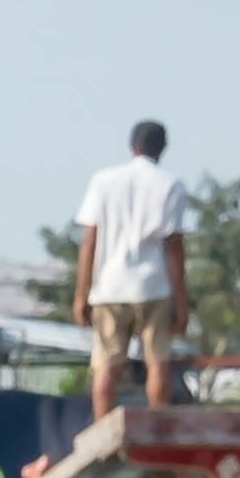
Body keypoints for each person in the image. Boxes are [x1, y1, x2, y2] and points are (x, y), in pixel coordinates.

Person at [76, 117, 191, 386]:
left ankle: (103, 424)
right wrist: (181, 302)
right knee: (158, 362)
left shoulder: (102, 181)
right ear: (162, 149)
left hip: (109, 285)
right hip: (154, 286)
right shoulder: (170, 184)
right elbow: (174, 247)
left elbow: (89, 241)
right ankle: (158, 423)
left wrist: (81, 294)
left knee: (105, 364)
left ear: (131, 147)